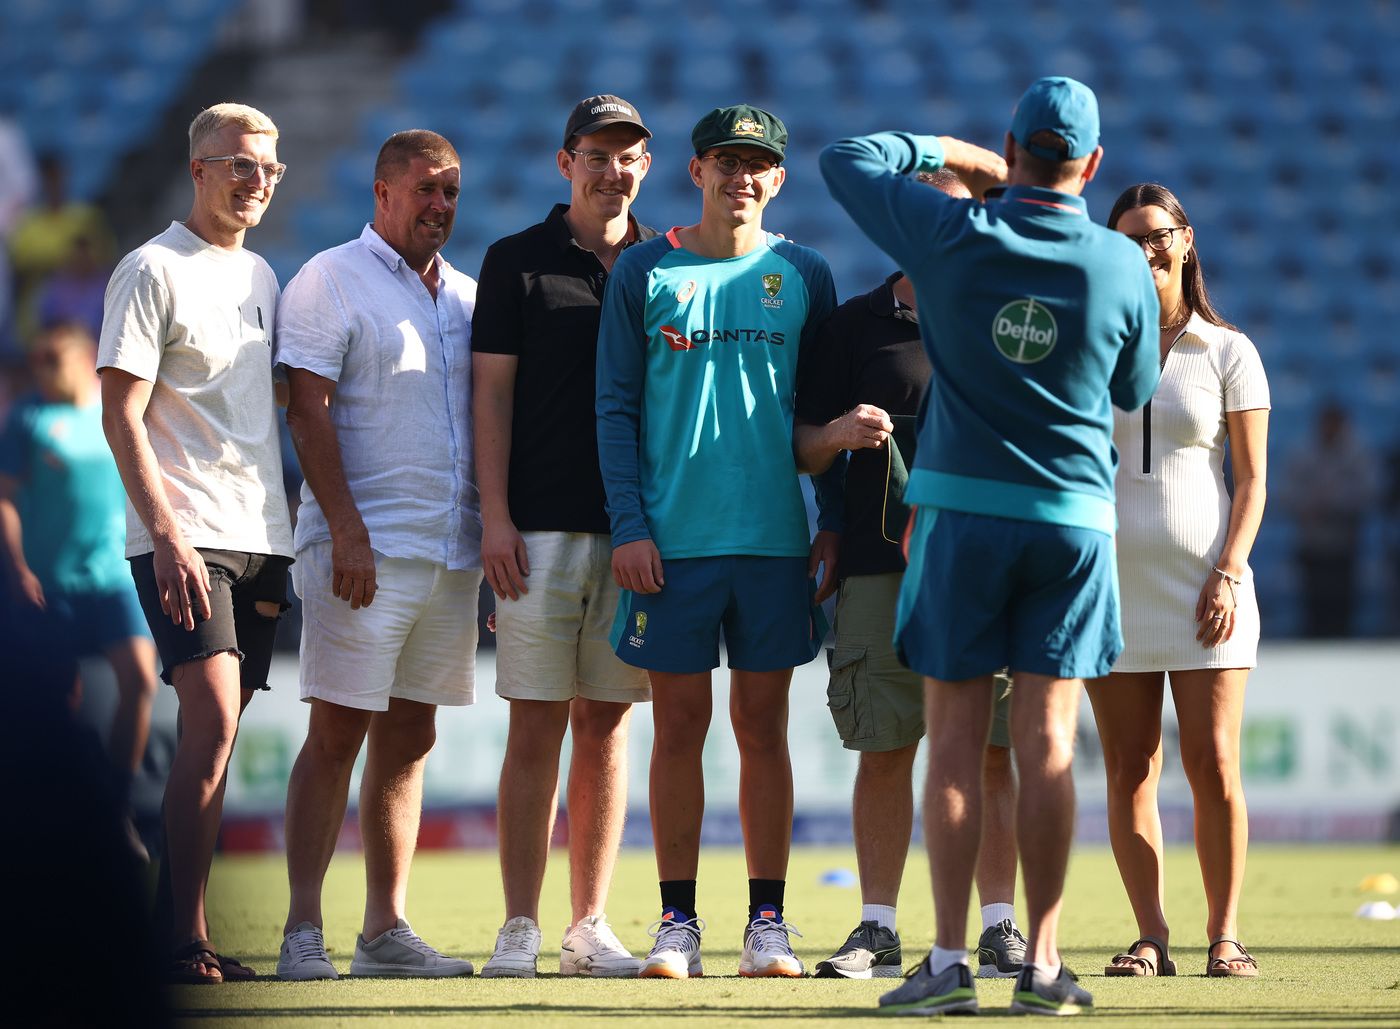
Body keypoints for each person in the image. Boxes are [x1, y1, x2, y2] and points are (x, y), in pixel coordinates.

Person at [820, 76, 1159, 1015]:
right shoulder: (1120, 263)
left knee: (957, 746)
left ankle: (946, 960)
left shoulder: (953, 233)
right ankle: (1045, 966)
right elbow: (1132, 387)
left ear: (1009, 149)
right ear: (1091, 165)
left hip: (963, 516)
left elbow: (845, 157)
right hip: (1073, 521)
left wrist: (958, 159)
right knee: (1047, 745)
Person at [596, 104, 837, 979]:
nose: (741, 176)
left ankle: (767, 923)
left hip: (775, 540)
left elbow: (823, 414)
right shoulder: (645, 271)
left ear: (778, 179)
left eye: (757, 164)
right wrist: (629, 525)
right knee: (677, 732)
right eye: (723, 162)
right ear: (693, 172)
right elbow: (615, 408)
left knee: (764, 729)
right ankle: (677, 924)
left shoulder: (806, 272)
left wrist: (835, 521)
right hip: (672, 544)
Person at [795, 169, 1028, 982]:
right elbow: (800, 444)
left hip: (986, 564)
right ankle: (878, 928)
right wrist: (837, 431)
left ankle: (1001, 927)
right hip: (875, 564)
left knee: (995, 751)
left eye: (958, 211)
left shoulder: (1009, 316)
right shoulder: (854, 324)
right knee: (887, 749)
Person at [274, 129, 480, 982]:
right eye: (427, 189)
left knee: (412, 736)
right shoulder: (328, 277)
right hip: (361, 551)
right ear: (382, 191)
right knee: (335, 733)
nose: (440, 205)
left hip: (448, 549)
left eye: (452, 193)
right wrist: (347, 529)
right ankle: (300, 931)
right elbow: (306, 412)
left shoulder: (467, 297)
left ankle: (384, 929)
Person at [98, 102, 295, 985]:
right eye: (241, 166)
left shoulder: (261, 274)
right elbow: (120, 412)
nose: (257, 181)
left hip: (261, 536)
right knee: (212, 721)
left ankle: (166, 933)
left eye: (270, 168)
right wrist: (167, 532)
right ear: (200, 169)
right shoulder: (149, 268)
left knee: (220, 734)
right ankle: (185, 939)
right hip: (185, 537)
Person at [472, 95, 656, 979]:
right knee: (536, 727)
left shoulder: (667, 263)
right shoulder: (514, 261)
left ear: (647, 167)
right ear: (565, 161)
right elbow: (492, 399)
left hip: (633, 536)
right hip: (535, 530)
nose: (610, 169)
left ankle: (589, 923)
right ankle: (518, 925)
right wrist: (494, 516)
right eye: (596, 152)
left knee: (609, 726)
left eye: (627, 155)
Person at [1089, 182, 1271, 980]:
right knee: (1130, 769)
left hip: (1209, 590)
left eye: (1158, 234)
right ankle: (1151, 935)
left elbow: (1256, 481)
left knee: (1215, 766)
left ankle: (1225, 935)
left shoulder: (1229, 350)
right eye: (1128, 238)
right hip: (1113, 590)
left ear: (1186, 240)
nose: (1146, 249)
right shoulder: (1093, 348)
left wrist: (1230, 571)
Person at [0, 323, 158, 815]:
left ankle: (115, 807)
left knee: (141, 681)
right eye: (38, 359)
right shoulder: (28, 416)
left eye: (54, 358)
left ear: (85, 356)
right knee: (56, 697)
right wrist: (18, 568)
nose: (44, 368)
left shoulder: (116, 409)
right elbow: (4, 497)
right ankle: (55, 815)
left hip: (115, 576)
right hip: (49, 584)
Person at [1279, 402, 1376, 637]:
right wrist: (1310, 503)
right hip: (1312, 541)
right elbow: (1285, 493)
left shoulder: (1357, 453)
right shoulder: (1303, 451)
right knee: (1313, 601)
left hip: (1344, 542)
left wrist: (1336, 501)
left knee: (1342, 602)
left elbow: (1371, 492)